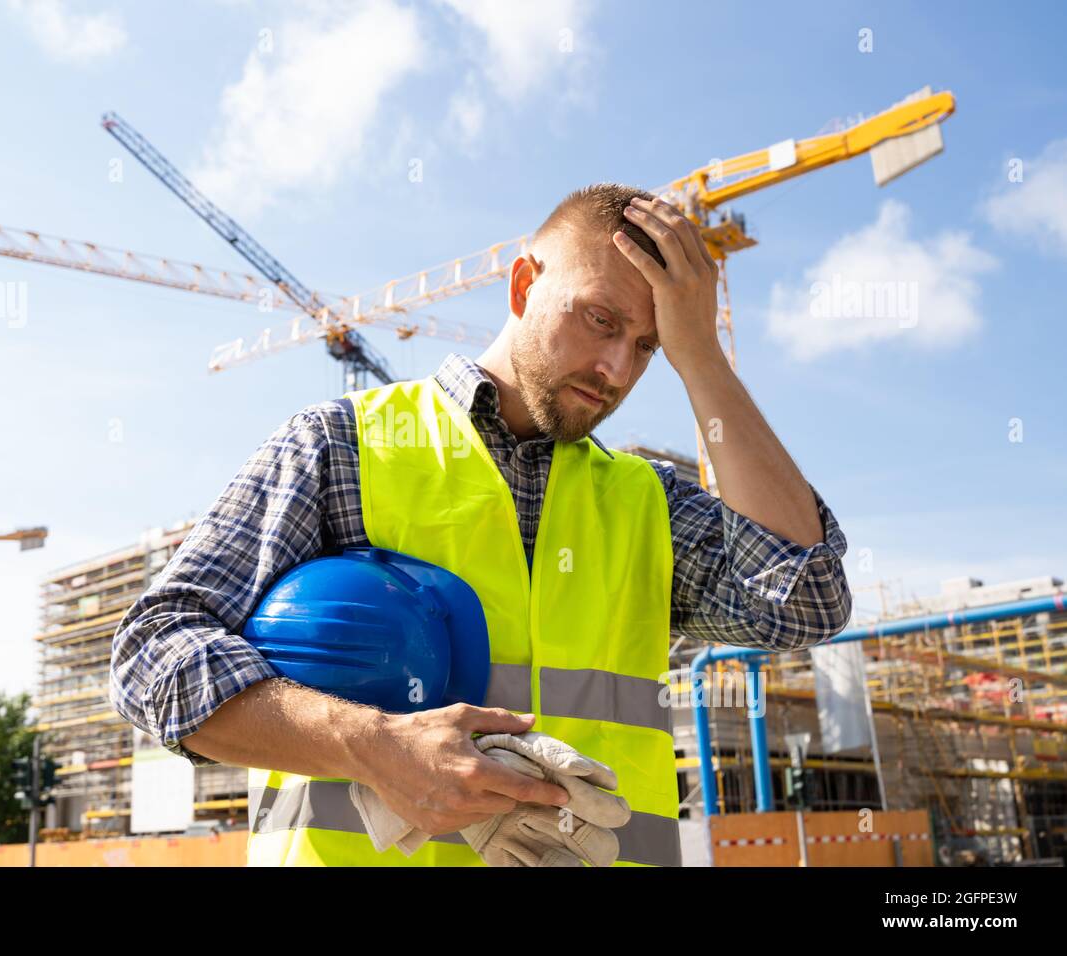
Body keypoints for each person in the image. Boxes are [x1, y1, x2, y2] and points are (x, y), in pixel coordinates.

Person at [109, 182, 853, 865]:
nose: (618, 370)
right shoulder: (340, 446)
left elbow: (805, 599)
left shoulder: (647, 500)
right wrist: (375, 748)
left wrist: (703, 358)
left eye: (649, 346)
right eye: (601, 321)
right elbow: (152, 656)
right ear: (524, 285)